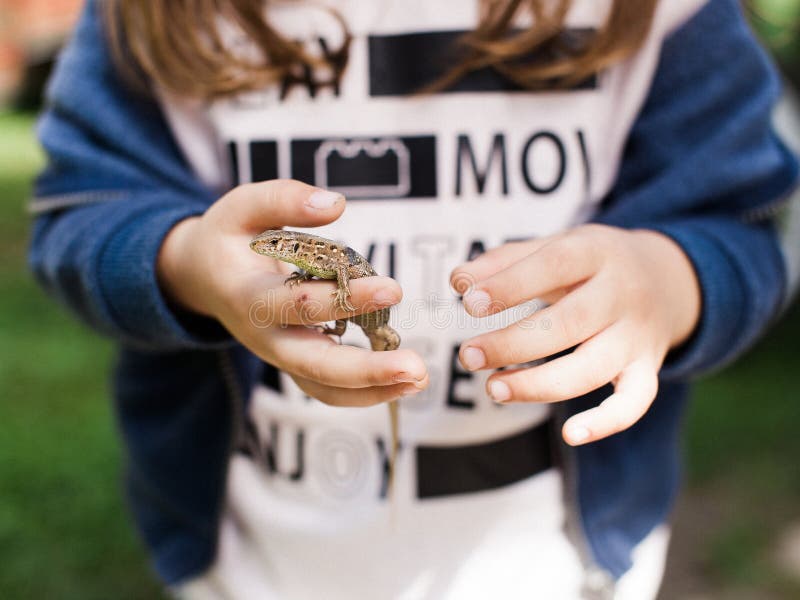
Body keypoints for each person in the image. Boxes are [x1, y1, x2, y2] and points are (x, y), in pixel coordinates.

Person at [28, 0, 798, 598]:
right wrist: (186, 263)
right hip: (246, 551)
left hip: (564, 556)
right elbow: (82, 215)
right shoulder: (147, 17)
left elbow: (745, 228)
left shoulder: (672, 15)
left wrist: (669, 279)